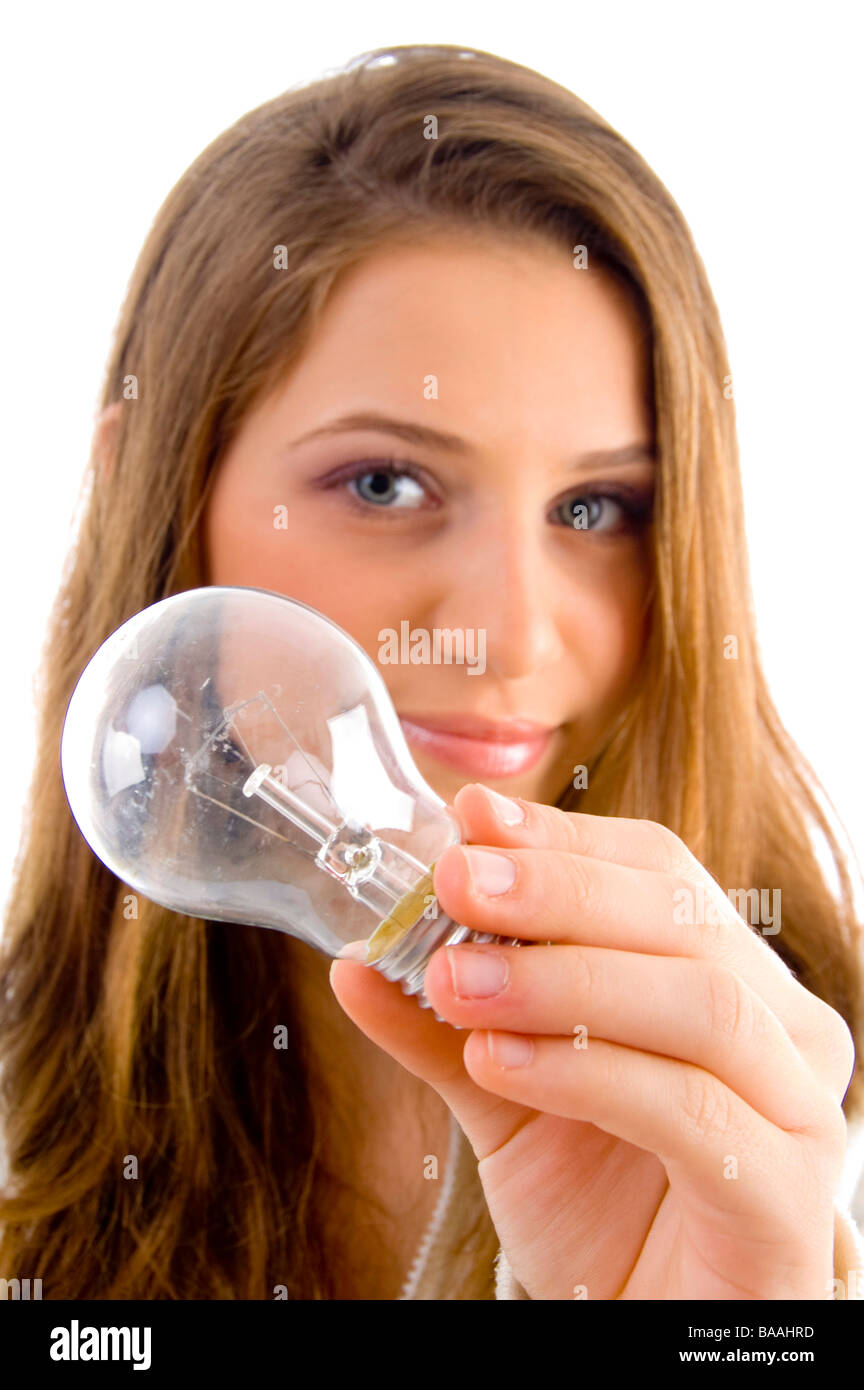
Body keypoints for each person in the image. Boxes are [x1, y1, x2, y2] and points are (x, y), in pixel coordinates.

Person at [1, 42, 862, 1300]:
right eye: (384, 484)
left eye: (597, 507)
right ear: (155, 490)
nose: (510, 637)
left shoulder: (824, 1158)